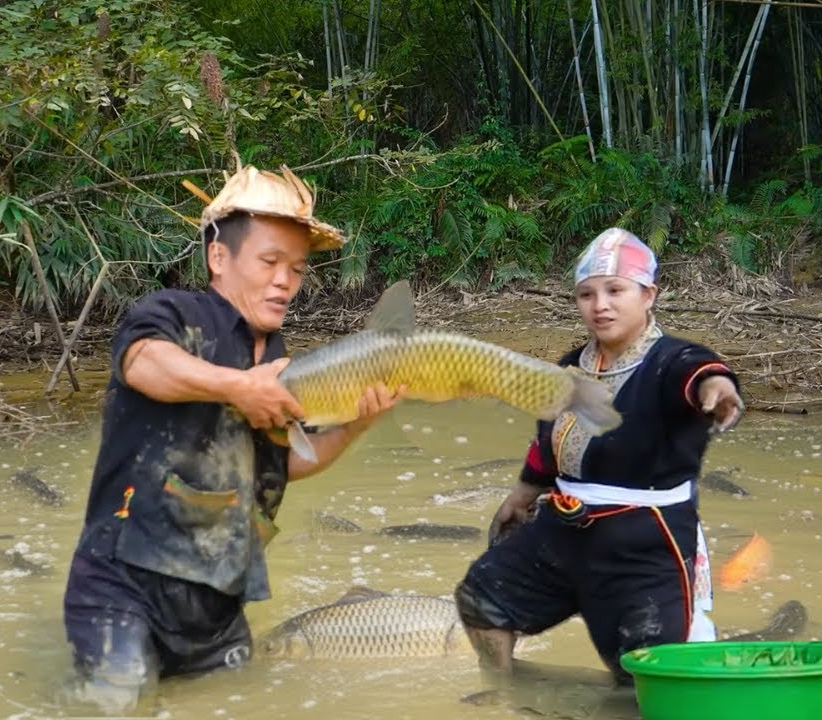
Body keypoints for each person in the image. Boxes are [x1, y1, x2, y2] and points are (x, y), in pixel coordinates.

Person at [62, 164, 402, 713]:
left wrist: (356, 424)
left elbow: (284, 464)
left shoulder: (279, 356)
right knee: (118, 700)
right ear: (218, 257)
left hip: (216, 604)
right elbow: (143, 362)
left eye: (297, 269)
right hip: (123, 589)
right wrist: (240, 387)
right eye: (269, 262)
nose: (285, 281)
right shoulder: (172, 313)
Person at [453, 227, 744, 687]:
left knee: (646, 672)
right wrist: (522, 494)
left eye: (615, 291)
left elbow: (703, 374)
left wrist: (720, 391)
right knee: (482, 597)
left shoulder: (672, 360)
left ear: (648, 295)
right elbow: (549, 441)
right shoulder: (571, 365)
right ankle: (505, 694)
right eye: (587, 294)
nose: (599, 305)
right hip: (565, 526)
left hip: (645, 542)